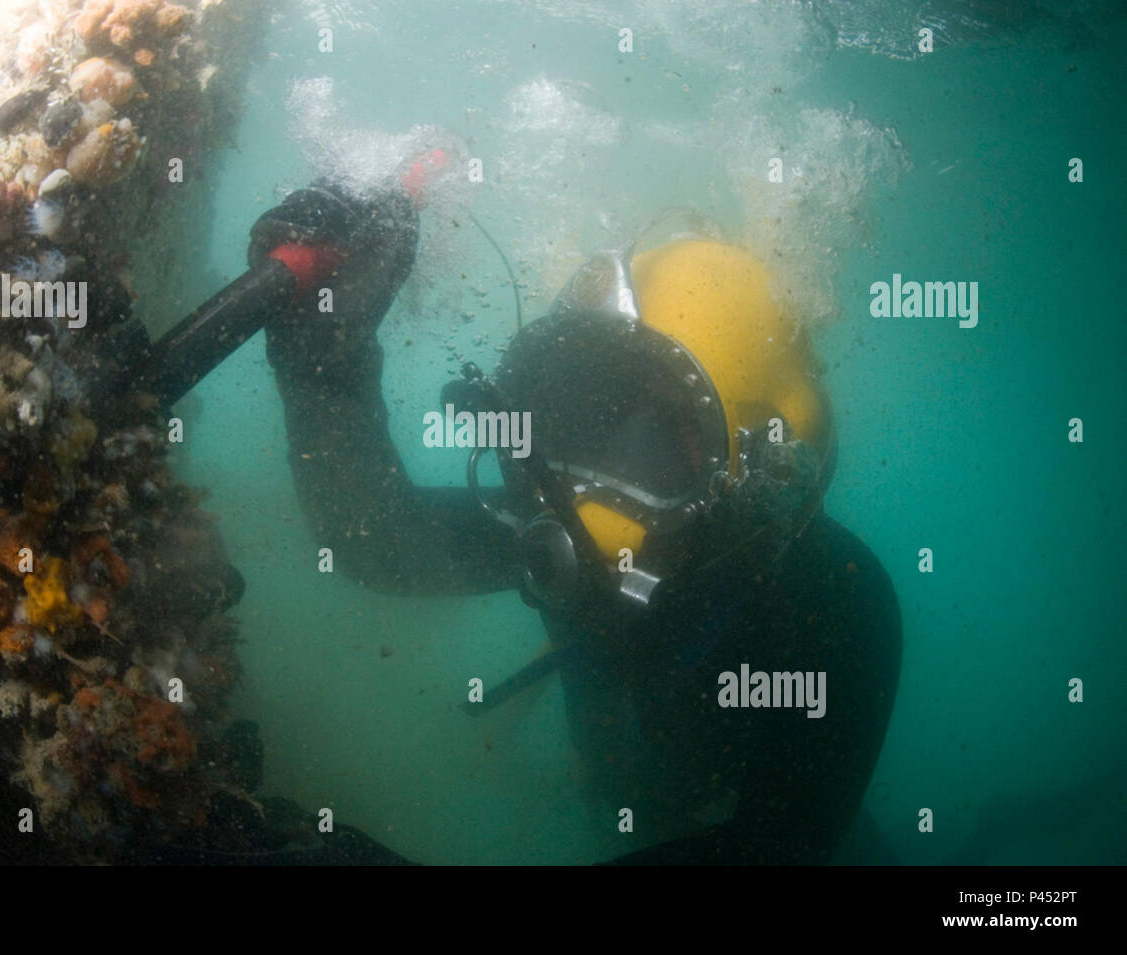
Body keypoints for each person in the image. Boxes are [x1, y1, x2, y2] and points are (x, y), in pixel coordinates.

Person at [242, 177, 902, 865]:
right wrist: (320, 353)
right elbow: (380, 540)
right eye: (578, 413)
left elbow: (773, 848)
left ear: (759, 474)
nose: (588, 494)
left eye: (658, 439)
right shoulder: (556, 515)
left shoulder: (840, 603)